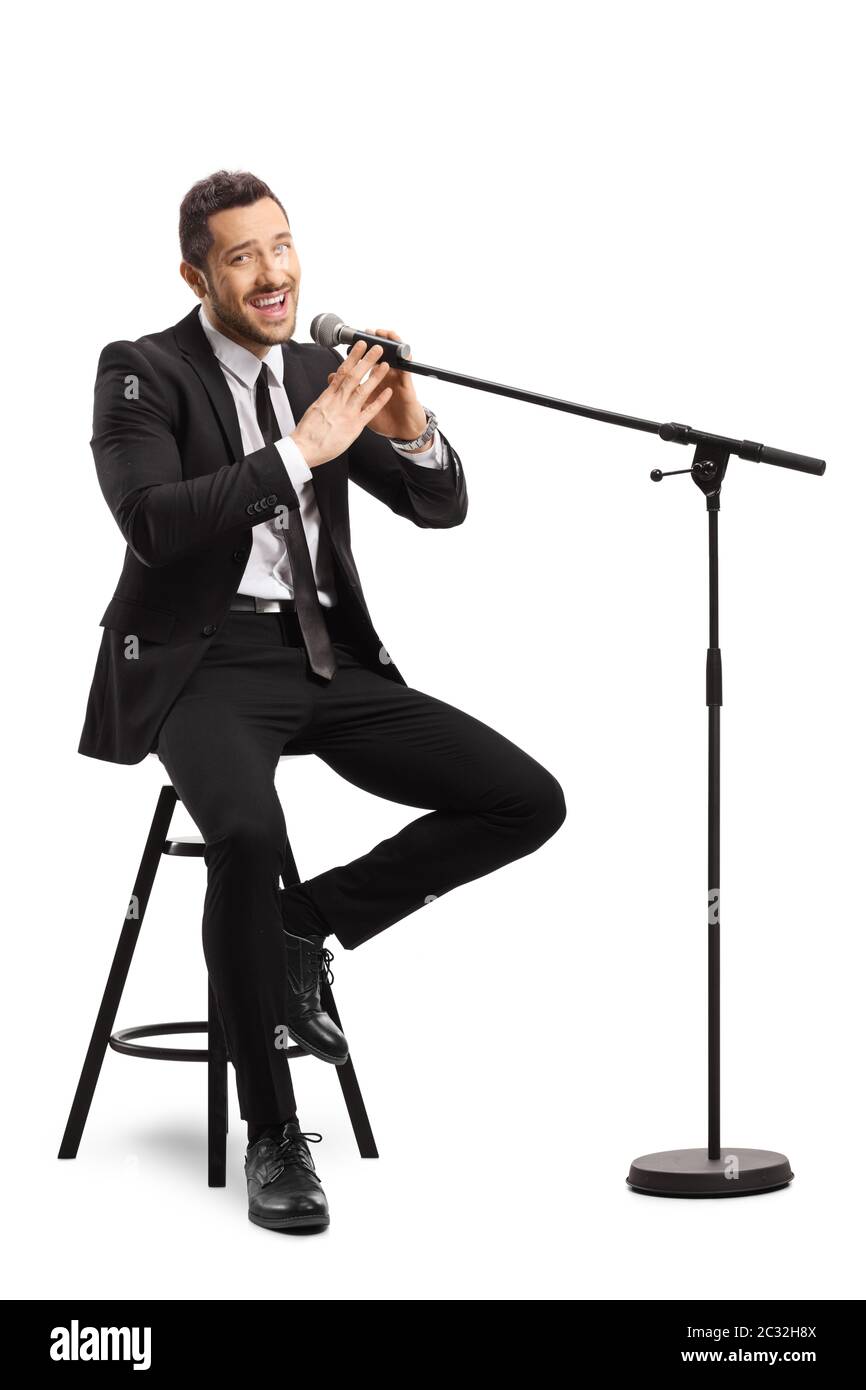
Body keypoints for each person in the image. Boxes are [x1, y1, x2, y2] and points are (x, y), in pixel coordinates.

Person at [79, 169, 567, 1232]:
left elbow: (441, 509)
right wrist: (300, 449)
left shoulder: (317, 371)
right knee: (248, 834)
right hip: (199, 665)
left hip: (320, 659)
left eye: (283, 245)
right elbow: (155, 522)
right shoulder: (141, 371)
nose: (272, 272)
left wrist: (403, 417)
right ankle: (272, 1130)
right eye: (243, 254)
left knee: (524, 799)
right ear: (196, 272)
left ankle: (305, 927)